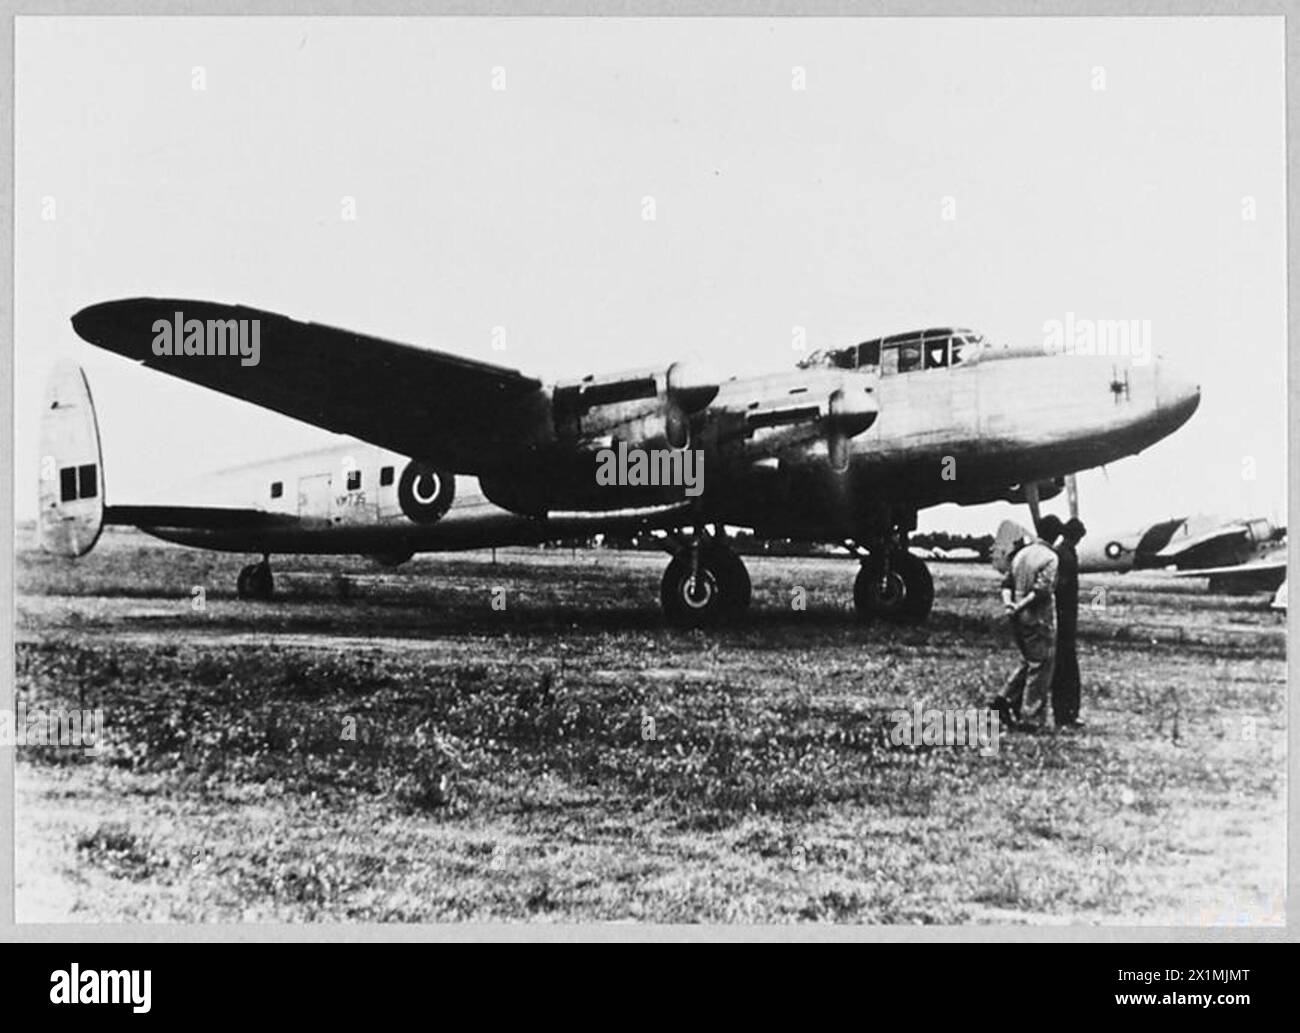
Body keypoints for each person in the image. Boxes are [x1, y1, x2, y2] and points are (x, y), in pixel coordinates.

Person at [992, 524, 1059, 732]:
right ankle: (1030, 717)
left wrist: (1009, 605)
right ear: (1055, 537)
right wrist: (1020, 606)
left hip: (1017, 617)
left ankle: (1002, 700)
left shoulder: (1021, 554)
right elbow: (1042, 591)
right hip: (1038, 617)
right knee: (1040, 666)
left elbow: (1006, 583)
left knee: (1028, 661)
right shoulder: (1050, 558)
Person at [1050, 517, 1087, 728]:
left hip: (1064, 615)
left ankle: (1064, 713)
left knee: (1063, 665)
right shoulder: (1065, 554)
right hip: (1065, 616)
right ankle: (1066, 714)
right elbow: (1062, 585)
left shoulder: (1063, 551)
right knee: (1066, 667)